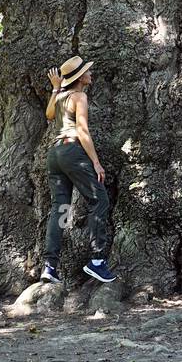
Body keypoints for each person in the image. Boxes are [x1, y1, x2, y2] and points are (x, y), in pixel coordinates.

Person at [40, 55, 117, 285]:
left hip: (55, 155)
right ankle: (96, 261)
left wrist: (56, 89)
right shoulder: (80, 97)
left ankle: (50, 266)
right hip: (73, 152)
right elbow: (82, 131)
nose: (91, 73)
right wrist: (96, 161)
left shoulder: (61, 97)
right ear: (80, 77)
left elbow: (49, 114)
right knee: (99, 201)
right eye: (88, 71)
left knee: (60, 209)